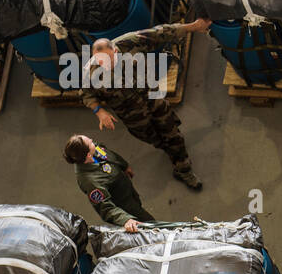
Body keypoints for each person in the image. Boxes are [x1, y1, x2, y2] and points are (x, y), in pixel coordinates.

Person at [81, 18, 212, 191]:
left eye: (111, 60)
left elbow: (161, 32)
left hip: (153, 99)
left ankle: (183, 169)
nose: (108, 65)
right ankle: (168, 148)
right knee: (155, 139)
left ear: (116, 50)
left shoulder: (129, 42)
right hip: (133, 116)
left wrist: (192, 27)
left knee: (172, 134)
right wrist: (99, 111)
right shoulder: (90, 72)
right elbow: (86, 94)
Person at [65, 134, 153, 233]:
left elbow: (111, 156)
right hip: (124, 206)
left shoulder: (94, 150)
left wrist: (124, 165)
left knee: (138, 205)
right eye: (90, 143)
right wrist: (125, 219)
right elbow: (105, 208)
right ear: (89, 155)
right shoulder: (90, 181)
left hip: (126, 190)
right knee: (152, 225)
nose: (92, 140)